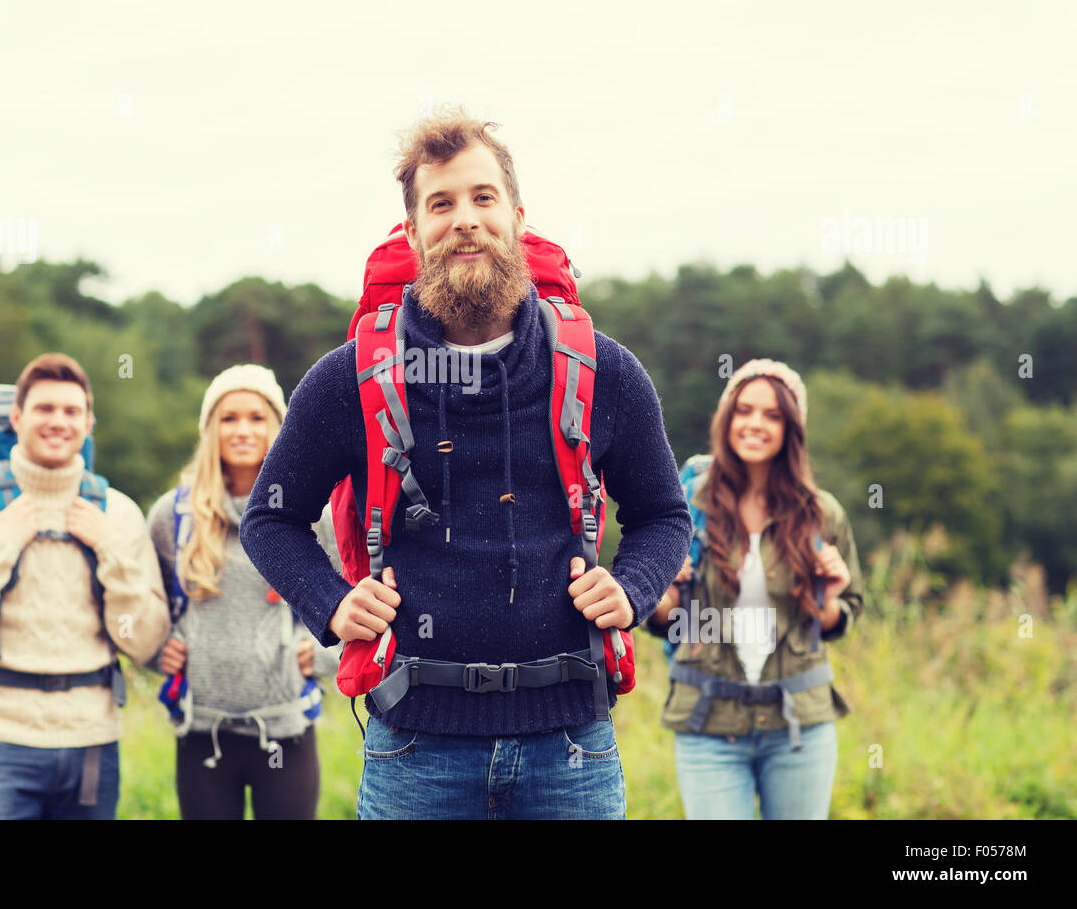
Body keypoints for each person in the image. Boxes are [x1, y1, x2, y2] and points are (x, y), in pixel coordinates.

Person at [239, 108, 692, 820]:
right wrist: (331, 604)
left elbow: (664, 514)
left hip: (570, 744)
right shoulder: (351, 377)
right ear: (413, 232)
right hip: (415, 747)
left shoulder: (603, 369)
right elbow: (269, 517)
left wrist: (632, 587)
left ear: (516, 216)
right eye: (440, 203)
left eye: (482, 198)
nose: (464, 220)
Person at [0, 352, 170, 819]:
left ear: (89, 422)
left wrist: (110, 550)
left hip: (93, 742)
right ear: (17, 417)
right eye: (44, 409)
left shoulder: (118, 513)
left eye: (71, 411)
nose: (58, 422)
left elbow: (145, 640)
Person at [644, 359, 864, 819]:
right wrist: (666, 592)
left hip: (799, 727)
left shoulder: (822, 515)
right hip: (708, 723)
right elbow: (661, 621)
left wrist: (827, 595)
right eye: (744, 410)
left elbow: (841, 616)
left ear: (792, 428)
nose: (755, 424)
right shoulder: (685, 505)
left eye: (773, 415)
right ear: (726, 418)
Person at [147, 364, 341, 820]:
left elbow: (349, 595)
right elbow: (143, 600)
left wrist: (323, 653)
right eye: (228, 418)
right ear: (209, 429)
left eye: (256, 418)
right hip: (202, 734)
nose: (242, 430)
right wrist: (157, 648)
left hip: (285, 729)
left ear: (278, 427)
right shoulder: (172, 516)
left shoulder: (314, 517)